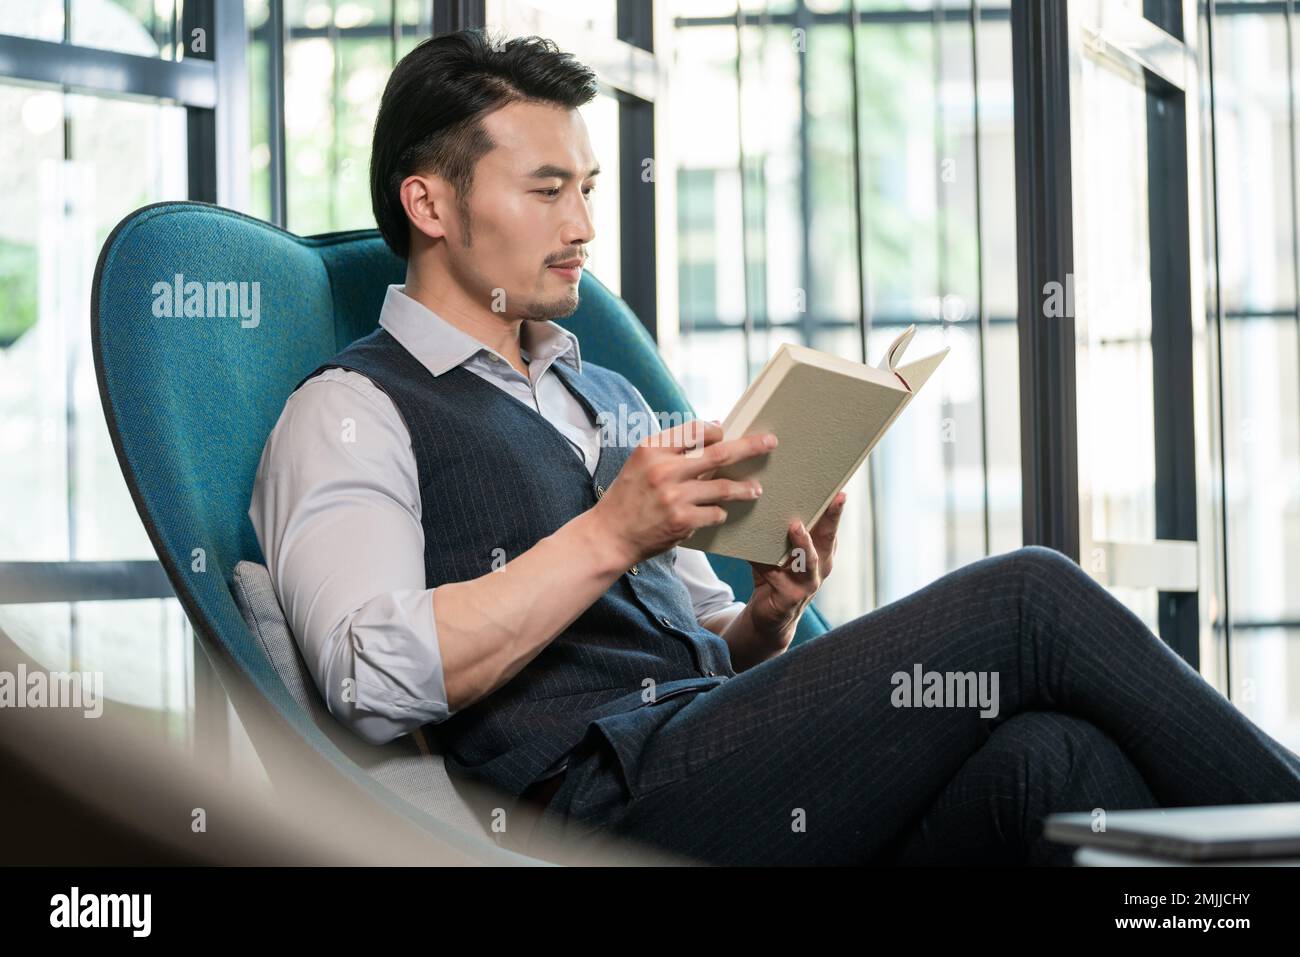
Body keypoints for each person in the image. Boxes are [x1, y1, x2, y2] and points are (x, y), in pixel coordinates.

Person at [249, 28, 1300, 866]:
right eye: (545, 189)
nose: (582, 224)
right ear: (428, 202)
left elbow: (702, 639)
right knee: (1025, 598)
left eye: (588, 187)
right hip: (587, 810)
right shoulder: (350, 412)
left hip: (718, 768)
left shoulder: (600, 389)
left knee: (1052, 763)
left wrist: (766, 614)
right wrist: (612, 532)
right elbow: (370, 675)